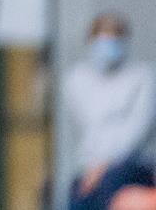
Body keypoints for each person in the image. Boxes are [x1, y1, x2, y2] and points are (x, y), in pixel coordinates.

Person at [65, 11, 156, 210]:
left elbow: (137, 131)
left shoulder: (142, 76)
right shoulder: (78, 78)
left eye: (114, 39)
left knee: (109, 183)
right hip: (90, 166)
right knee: (78, 194)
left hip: (129, 167)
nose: (107, 47)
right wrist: (94, 168)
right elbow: (88, 127)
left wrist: (103, 167)